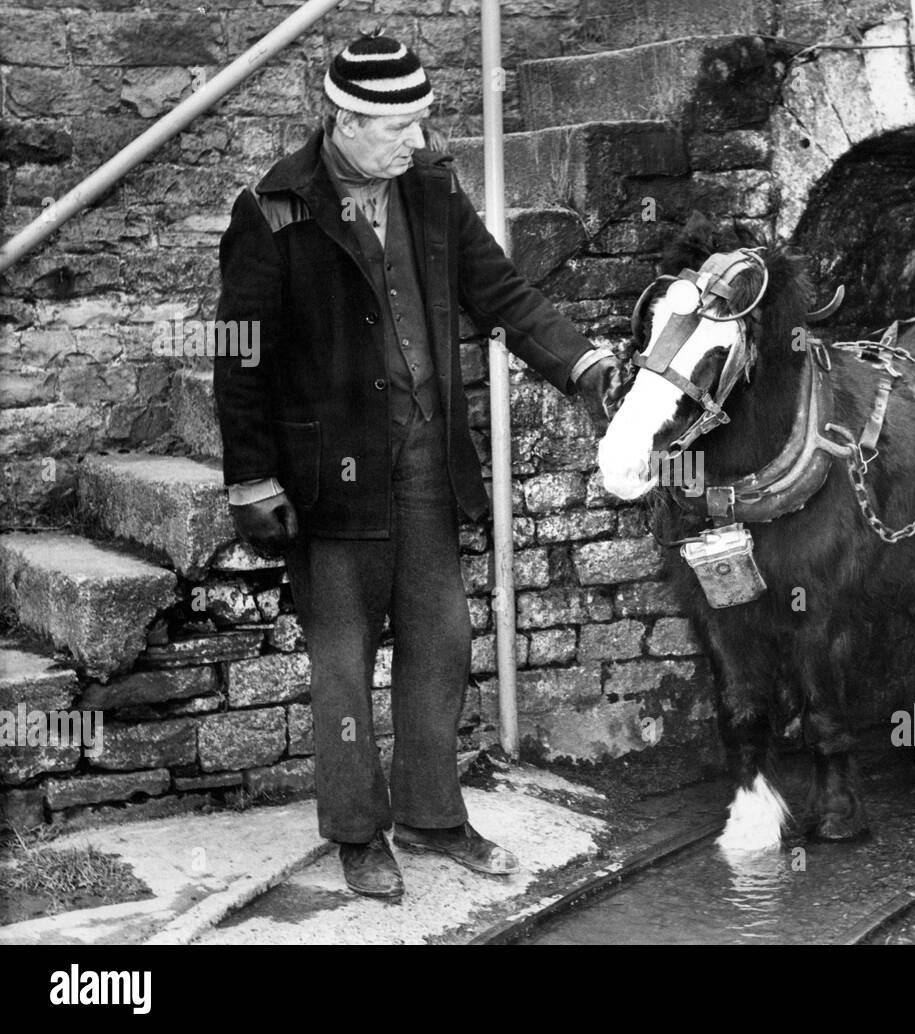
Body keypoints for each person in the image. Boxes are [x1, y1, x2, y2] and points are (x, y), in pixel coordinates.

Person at [212, 32, 620, 901]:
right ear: (345, 120)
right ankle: (358, 832)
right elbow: (238, 356)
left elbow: (501, 293)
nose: (420, 143)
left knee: (442, 642)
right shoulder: (275, 208)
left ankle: (434, 814)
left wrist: (581, 363)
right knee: (343, 660)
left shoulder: (431, 191)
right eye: (400, 126)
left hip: (428, 463)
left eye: (425, 123)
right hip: (329, 475)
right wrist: (251, 477)